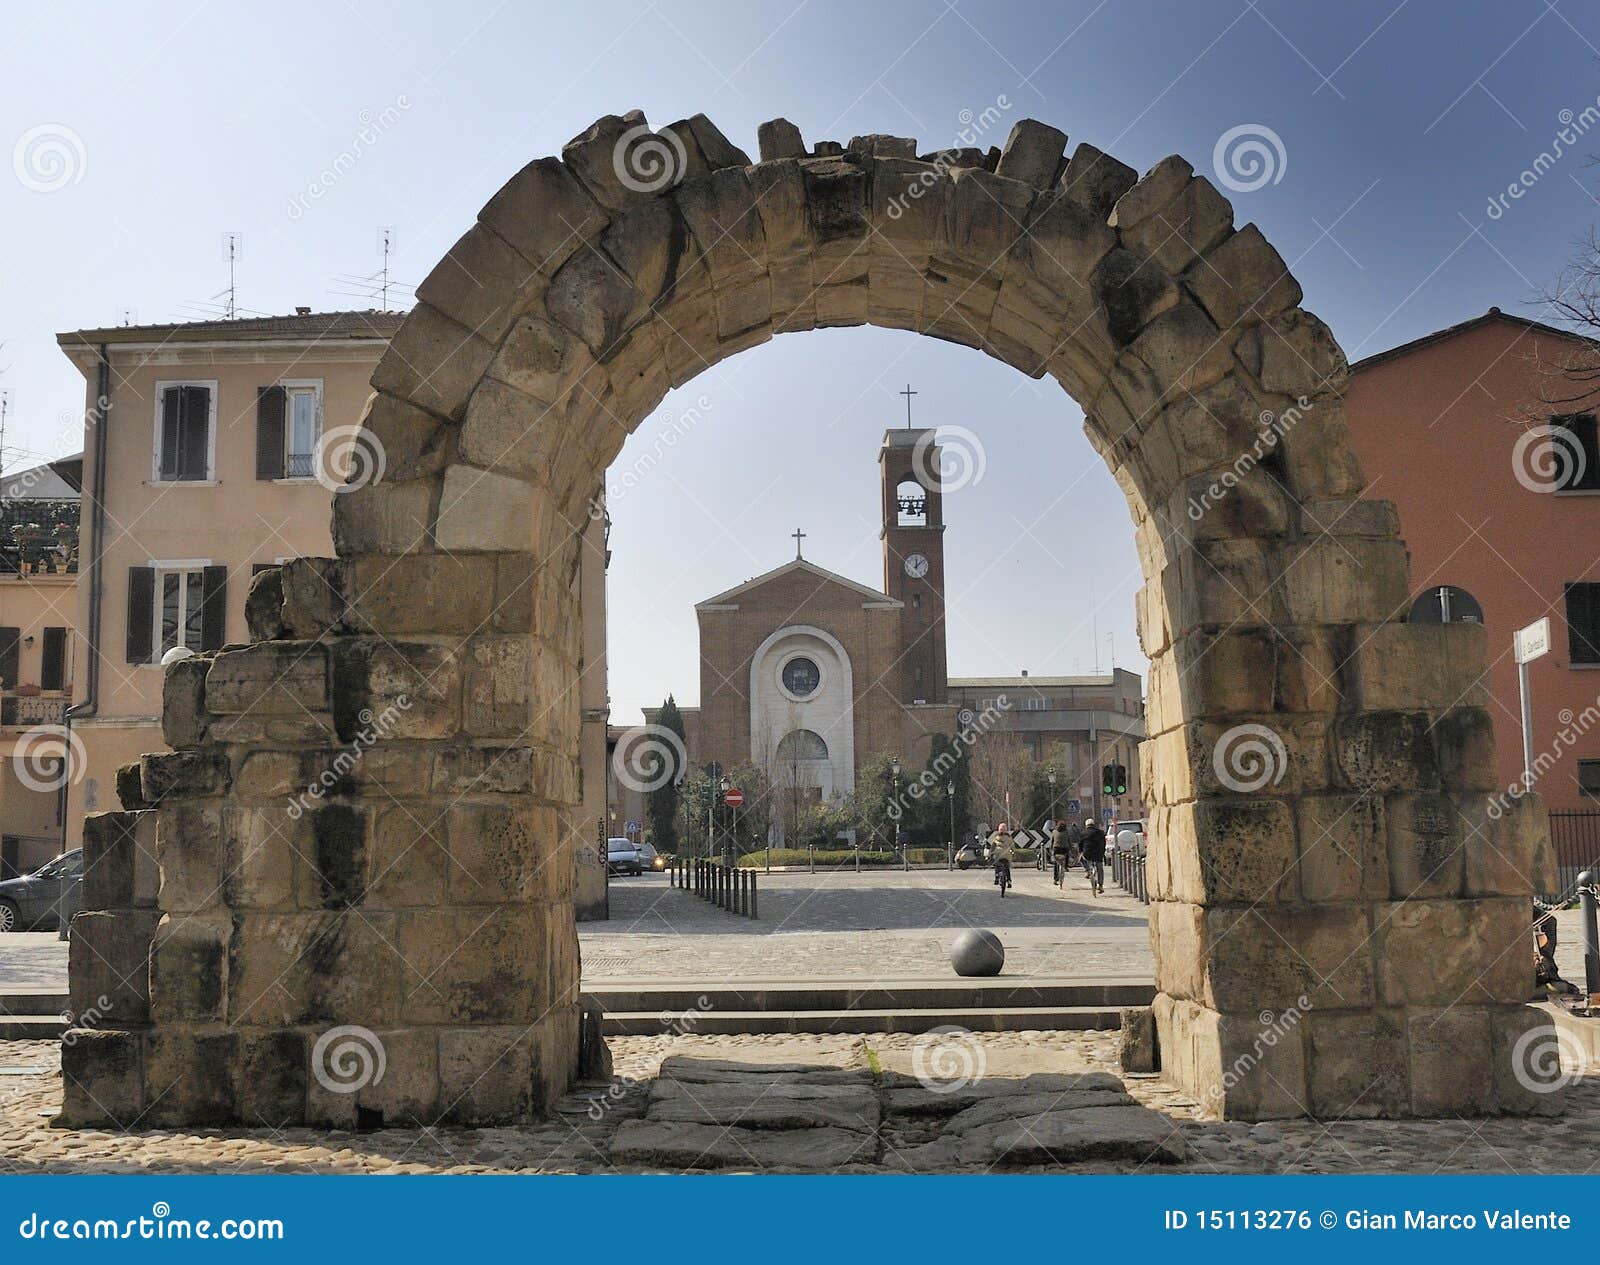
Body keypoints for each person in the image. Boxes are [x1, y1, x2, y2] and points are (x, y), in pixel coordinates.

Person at [1079, 816, 1106, 896]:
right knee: (1100, 869)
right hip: (1098, 854)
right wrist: (1102, 852)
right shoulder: (1101, 833)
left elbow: (1080, 844)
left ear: (1086, 825)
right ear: (1094, 825)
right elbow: (1104, 844)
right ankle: (1100, 885)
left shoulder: (1083, 833)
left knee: (1081, 859)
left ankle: (1087, 870)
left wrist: (1081, 852)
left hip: (1088, 854)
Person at [989, 823, 1015, 893]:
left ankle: (996, 877)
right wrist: (1013, 852)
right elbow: (1012, 846)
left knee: (997, 865)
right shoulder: (1009, 837)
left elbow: (992, 846)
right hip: (1007, 855)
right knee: (1007, 868)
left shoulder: (996, 837)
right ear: (1006, 830)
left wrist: (990, 854)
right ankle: (1009, 881)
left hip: (998, 854)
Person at [1051, 820, 1072, 886]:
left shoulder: (1054, 832)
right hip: (1065, 848)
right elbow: (1069, 841)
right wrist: (1071, 848)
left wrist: (1051, 848)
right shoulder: (1067, 832)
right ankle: (1065, 866)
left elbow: (1052, 841)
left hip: (1056, 848)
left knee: (1056, 863)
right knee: (1067, 856)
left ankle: (1055, 879)